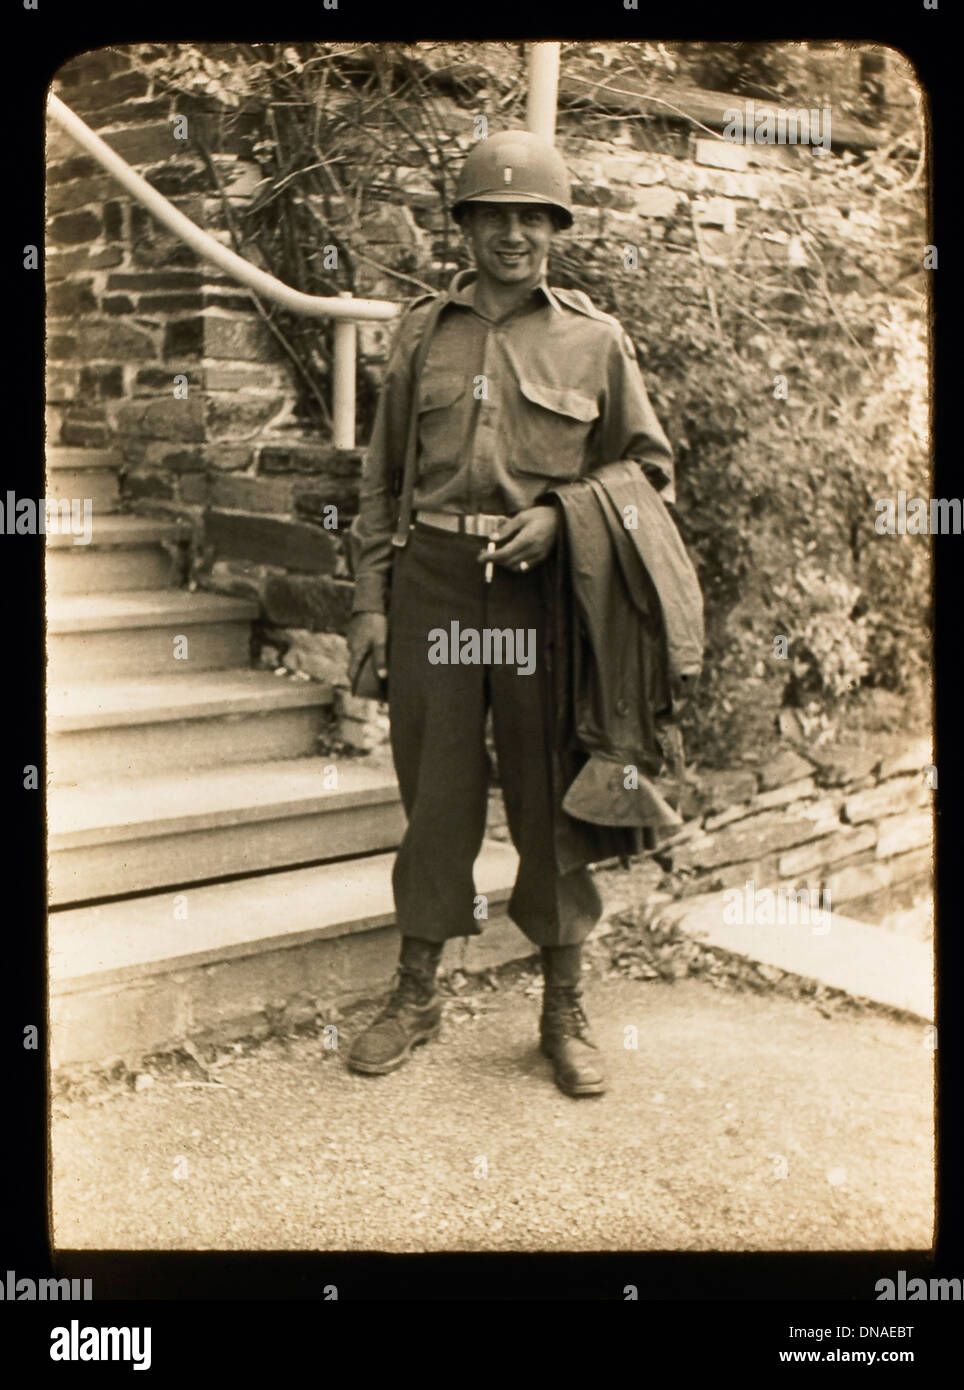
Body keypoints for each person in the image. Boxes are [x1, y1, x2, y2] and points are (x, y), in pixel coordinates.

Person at [346, 129, 674, 1097]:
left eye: (534, 216)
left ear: (555, 228)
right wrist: (369, 608)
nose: (515, 234)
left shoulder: (595, 340)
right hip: (437, 584)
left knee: (550, 801)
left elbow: (647, 472)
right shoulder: (420, 333)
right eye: (495, 216)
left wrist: (559, 516)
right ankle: (416, 992)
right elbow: (378, 485)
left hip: (542, 599)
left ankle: (561, 1006)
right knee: (435, 798)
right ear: (467, 225)